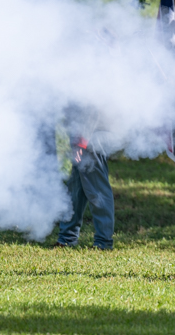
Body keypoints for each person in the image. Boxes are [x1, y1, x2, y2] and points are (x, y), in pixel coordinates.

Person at [54, 104, 116, 250]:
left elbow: (91, 109)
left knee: (97, 190)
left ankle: (103, 242)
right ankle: (67, 238)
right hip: (82, 135)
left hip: (91, 136)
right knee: (76, 188)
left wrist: (81, 142)